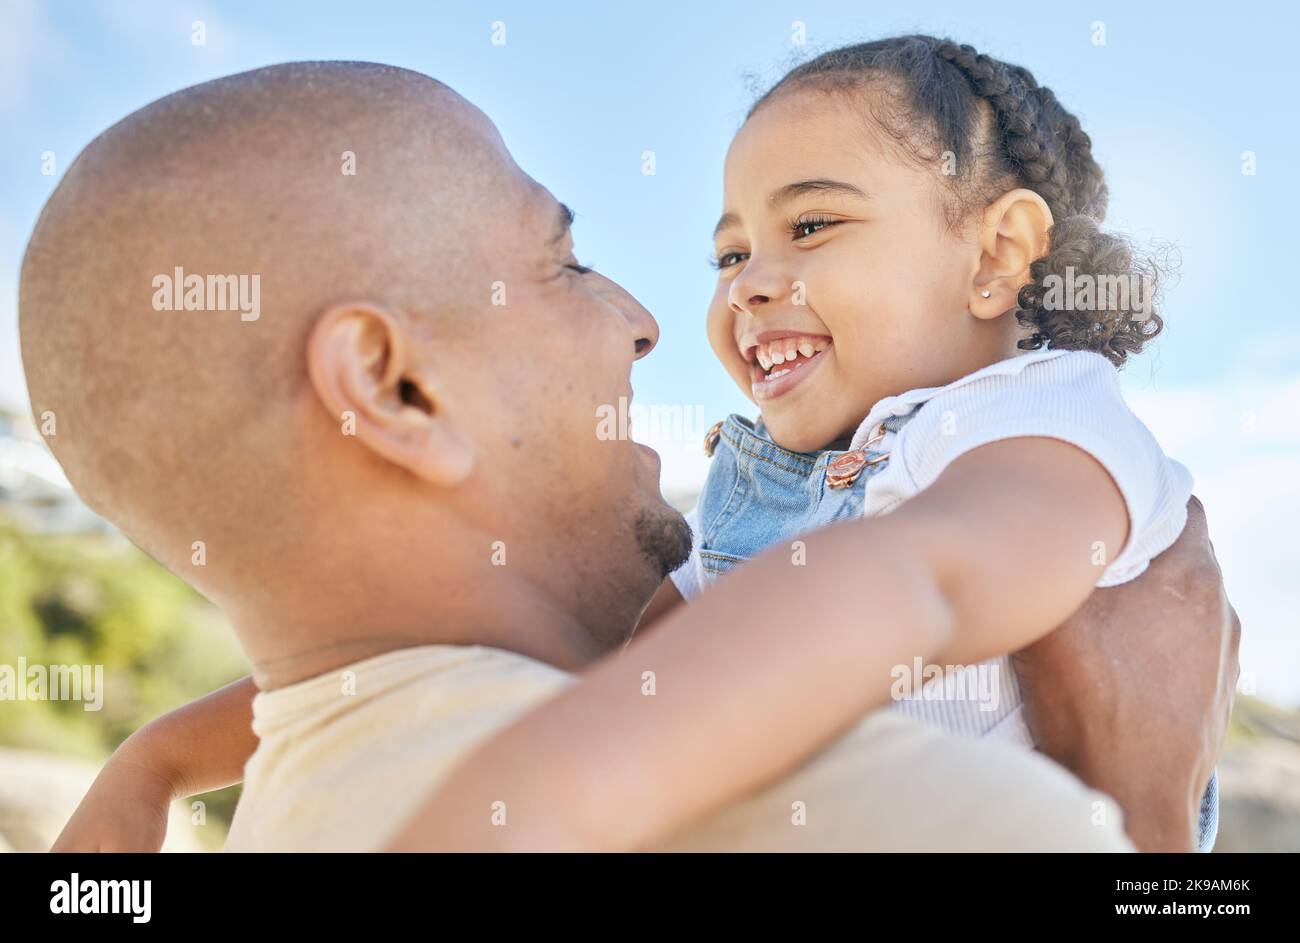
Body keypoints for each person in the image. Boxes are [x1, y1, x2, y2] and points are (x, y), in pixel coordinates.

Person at [27, 62, 1236, 854]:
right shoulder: (860, 813)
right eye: (563, 263)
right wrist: (1148, 816)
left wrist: (151, 762)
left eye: (810, 226)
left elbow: (906, 580)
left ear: (996, 257)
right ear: (397, 389)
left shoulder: (1033, 426)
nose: (662, 316)